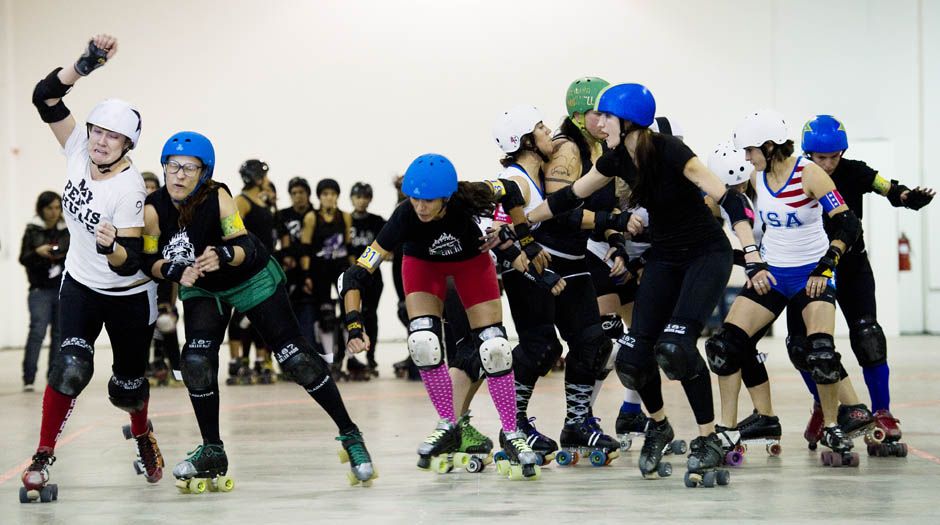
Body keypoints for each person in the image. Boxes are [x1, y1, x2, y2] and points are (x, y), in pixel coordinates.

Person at [524, 84, 766, 483]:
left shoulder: (670, 150)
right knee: (632, 357)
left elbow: (730, 199)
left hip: (705, 254)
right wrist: (522, 222)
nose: (600, 124)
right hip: (665, 258)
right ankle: (659, 425)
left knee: (676, 347)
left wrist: (751, 254)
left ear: (629, 121)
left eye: (606, 117)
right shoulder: (617, 158)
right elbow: (569, 197)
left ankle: (707, 438)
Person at [143, 131, 376, 489]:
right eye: (172, 166)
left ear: (204, 173)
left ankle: (350, 434)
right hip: (203, 286)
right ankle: (212, 449)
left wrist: (222, 254)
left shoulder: (218, 197)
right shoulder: (154, 209)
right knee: (196, 361)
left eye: (189, 168)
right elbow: (149, 261)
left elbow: (245, 246)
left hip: (251, 279)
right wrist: (173, 270)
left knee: (297, 359)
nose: (179, 175)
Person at [21, 34, 163, 504]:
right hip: (80, 285)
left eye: (112, 136)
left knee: (127, 389)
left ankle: (141, 433)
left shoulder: (129, 189)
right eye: (97, 131)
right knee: (69, 369)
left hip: (128, 296)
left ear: (128, 144)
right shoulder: (78, 148)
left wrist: (110, 246)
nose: (100, 141)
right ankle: (42, 454)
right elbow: (45, 97)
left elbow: (128, 266)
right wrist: (84, 65)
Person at [342, 153, 543, 479]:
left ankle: (512, 431)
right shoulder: (404, 216)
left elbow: (511, 190)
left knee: (494, 347)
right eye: (415, 199)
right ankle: (448, 424)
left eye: (429, 201)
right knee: (422, 341)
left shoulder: (471, 195)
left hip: (471, 264)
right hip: (423, 267)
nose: (420, 207)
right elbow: (355, 275)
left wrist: (526, 239)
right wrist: (354, 324)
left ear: (447, 197)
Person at [791, 115, 934, 457]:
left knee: (868, 336)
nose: (828, 164)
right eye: (821, 158)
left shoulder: (854, 170)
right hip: (810, 269)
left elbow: (887, 187)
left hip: (851, 264)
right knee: (801, 346)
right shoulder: (797, 176)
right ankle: (822, 406)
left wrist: (907, 196)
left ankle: (882, 412)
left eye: (834, 157)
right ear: (808, 154)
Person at [492, 103, 622, 466]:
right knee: (541, 348)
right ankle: (513, 425)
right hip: (532, 271)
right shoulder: (517, 181)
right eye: (540, 128)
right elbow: (496, 234)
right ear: (525, 141)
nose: (548, 131)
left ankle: (577, 422)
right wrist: (532, 266)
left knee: (593, 341)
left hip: (570, 264)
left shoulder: (537, 176)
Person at [300, 179, 360, 379]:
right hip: (320, 271)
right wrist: (306, 275)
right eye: (325, 194)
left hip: (341, 269)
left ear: (337, 196)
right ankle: (330, 359)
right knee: (326, 316)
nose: (329, 197)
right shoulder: (311, 218)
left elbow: (349, 247)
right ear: (319, 197)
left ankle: (350, 357)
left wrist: (356, 272)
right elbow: (306, 249)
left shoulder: (345, 217)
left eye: (332, 194)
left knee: (348, 314)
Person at [225, 159, 276, 384]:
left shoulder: (261, 200)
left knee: (260, 316)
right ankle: (236, 362)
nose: (267, 179)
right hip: (248, 267)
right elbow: (230, 233)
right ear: (257, 178)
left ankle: (260, 360)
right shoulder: (241, 201)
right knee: (240, 315)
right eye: (264, 175)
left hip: (263, 266)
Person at [19, 191, 70, 392]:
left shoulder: (66, 230)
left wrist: (58, 254)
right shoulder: (32, 230)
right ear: (41, 209)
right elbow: (23, 258)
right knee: (37, 332)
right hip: (39, 290)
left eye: (57, 207)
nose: (54, 212)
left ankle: (53, 377)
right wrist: (37, 253)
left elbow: (71, 254)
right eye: (49, 208)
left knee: (58, 334)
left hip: (61, 288)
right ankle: (29, 378)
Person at [141, 171, 181, 387]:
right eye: (145, 186)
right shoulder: (130, 213)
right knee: (143, 329)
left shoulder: (167, 214)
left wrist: (171, 301)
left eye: (153, 187)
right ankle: (145, 371)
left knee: (166, 323)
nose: (149, 191)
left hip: (163, 276)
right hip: (140, 277)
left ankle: (177, 371)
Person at [348, 182, 387, 374]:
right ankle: (349, 357)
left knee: (370, 315)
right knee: (349, 315)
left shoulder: (377, 221)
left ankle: (371, 357)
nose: (361, 201)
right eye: (358, 197)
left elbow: (388, 249)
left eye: (365, 197)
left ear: (370, 199)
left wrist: (367, 265)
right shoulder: (345, 220)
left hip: (372, 277)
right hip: (350, 276)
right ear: (352, 198)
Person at [276, 176, 317, 351]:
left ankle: (311, 353)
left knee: (310, 315)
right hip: (289, 271)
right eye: (294, 193)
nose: (298, 196)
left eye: (301, 192)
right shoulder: (282, 215)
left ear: (308, 194)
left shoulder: (316, 214)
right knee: (286, 315)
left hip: (311, 270)